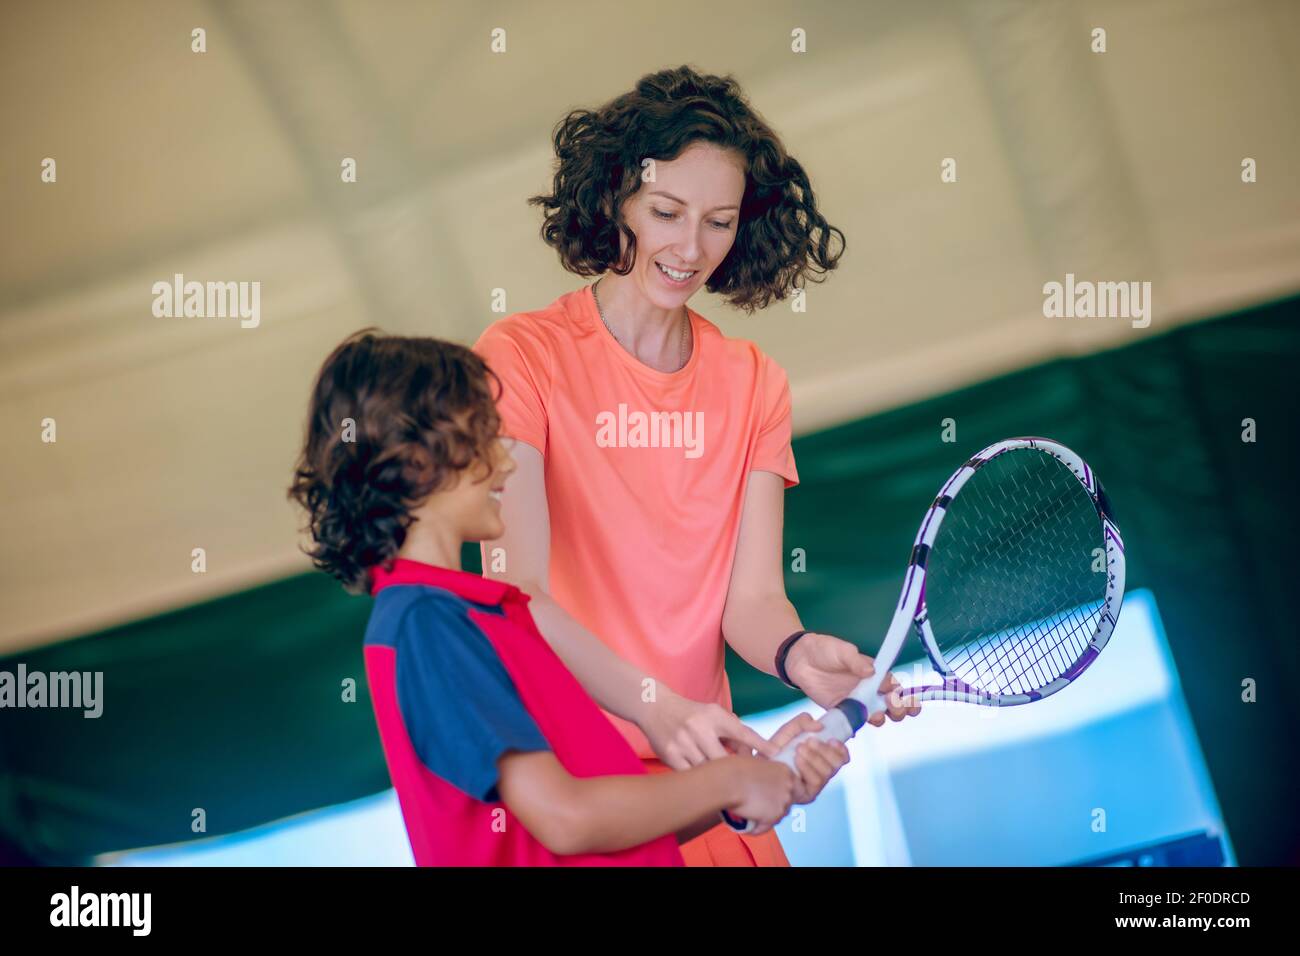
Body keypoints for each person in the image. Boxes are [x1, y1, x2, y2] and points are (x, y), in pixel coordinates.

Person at [474, 65, 920, 867]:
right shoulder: (521, 358)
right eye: (666, 213)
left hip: (710, 785)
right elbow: (517, 594)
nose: (689, 249)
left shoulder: (754, 383)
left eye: (718, 222)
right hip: (589, 792)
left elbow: (750, 600)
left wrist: (793, 654)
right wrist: (658, 710)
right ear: (617, 201)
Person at [288, 330, 846, 865]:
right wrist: (729, 779)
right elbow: (566, 819)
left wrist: (756, 776)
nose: (505, 461)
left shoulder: (468, 615)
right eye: (482, 435)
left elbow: (604, 825)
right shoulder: (426, 621)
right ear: (417, 460)